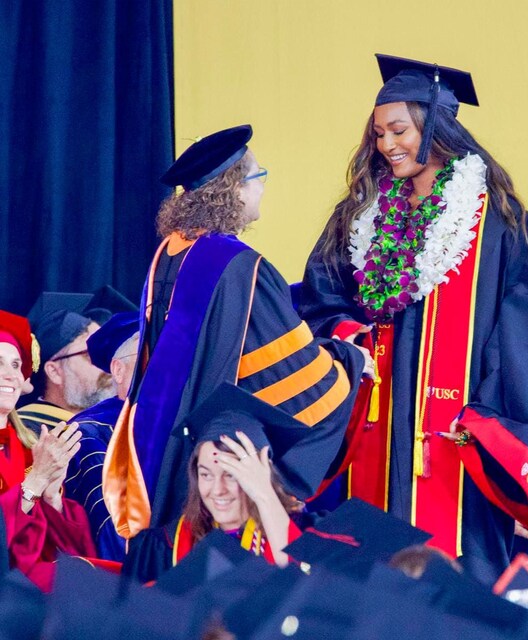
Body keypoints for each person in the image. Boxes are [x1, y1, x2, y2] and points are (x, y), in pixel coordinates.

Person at [299, 54, 528, 581]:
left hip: (456, 455)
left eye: (399, 130)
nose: (387, 145)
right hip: (373, 430)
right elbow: (321, 299)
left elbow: (522, 346)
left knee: (456, 589)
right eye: (378, 134)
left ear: (436, 127)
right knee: (366, 575)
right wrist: (351, 340)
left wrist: (486, 428)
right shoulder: (360, 215)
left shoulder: (502, 226)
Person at [104, 125, 369, 539]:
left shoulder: (172, 250)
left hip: (159, 429)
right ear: (235, 189)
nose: (261, 188)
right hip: (213, 442)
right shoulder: (238, 264)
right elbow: (284, 364)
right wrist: (347, 358)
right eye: (258, 177)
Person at [122, 384, 320, 583]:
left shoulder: (312, 534)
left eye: (231, 475)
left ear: (260, 474)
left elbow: (302, 589)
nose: (218, 490)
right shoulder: (161, 548)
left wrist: (265, 496)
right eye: (206, 475)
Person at [0, 310, 96, 590]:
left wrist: (53, 496)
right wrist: (34, 484)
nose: (9, 375)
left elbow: (72, 551)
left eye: (16, 364)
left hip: (39, 588)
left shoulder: (31, 446)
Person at [64, 312, 139, 561]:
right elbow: (111, 530)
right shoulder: (88, 433)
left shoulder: (181, 425)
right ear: (118, 370)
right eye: (151, 357)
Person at [18, 310, 114, 431]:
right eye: (92, 355)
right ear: (54, 372)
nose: (108, 364)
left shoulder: (112, 429)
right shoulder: (26, 435)